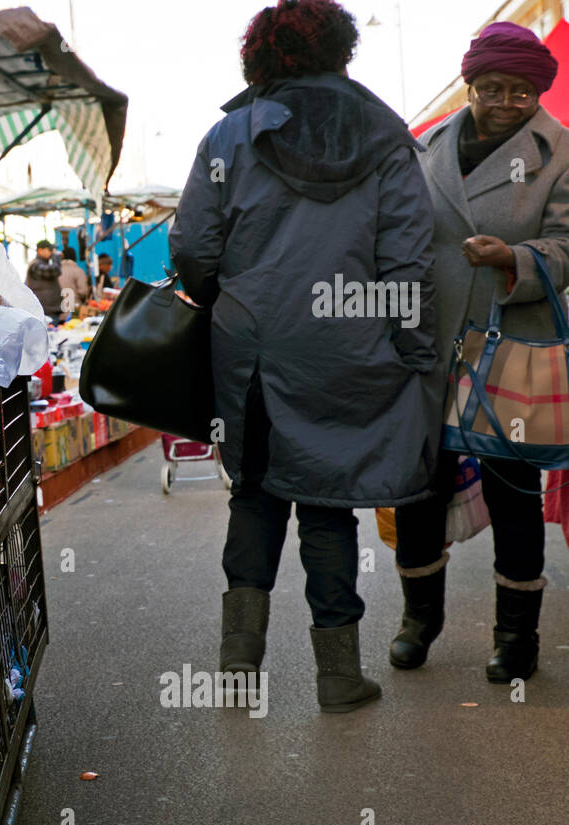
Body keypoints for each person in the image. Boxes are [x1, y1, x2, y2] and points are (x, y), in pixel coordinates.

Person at [169, 0, 438, 713]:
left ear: (258, 58)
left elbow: (194, 250)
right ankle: (339, 676)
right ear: (341, 53)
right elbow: (406, 264)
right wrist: (413, 354)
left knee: (255, 491)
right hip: (349, 352)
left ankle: (237, 665)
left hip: (252, 348)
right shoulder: (387, 138)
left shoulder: (229, 136)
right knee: (328, 502)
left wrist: (214, 294)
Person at [389, 22, 567, 682]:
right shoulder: (427, 144)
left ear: (537, 92)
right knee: (418, 487)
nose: (504, 102)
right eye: (491, 88)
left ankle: (516, 637)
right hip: (430, 345)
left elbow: (567, 247)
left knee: (515, 491)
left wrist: (515, 258)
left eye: (521, 93)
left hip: (511, 343)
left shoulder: (561, 153)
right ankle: (418, 621)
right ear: (469, 85)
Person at [25, 240, 65, 323]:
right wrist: (55, 258)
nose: (52, 253)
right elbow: (54, 271)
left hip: (51, 311)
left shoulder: (43, 263)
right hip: (46, 313)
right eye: (50, 250)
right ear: (40, 250)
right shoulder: (35, 265)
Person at [59, 247, 92, 316]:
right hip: (73, 309)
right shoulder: (78, 271)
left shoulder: (55, 271)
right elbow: (83, 291)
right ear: (74, 257)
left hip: (57, 310)